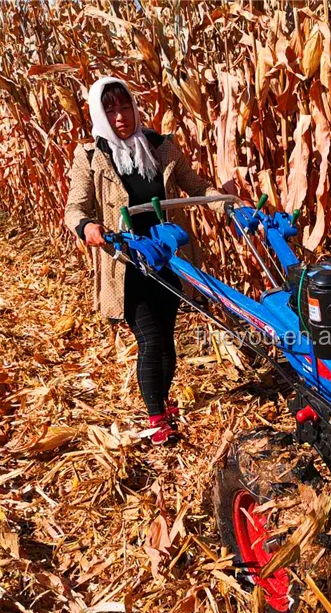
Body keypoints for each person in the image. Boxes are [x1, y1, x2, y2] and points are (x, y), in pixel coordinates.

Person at [64, 76, 226, 445]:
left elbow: (197, 187)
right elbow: (73, 208)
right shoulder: (90, 157)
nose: (120, 116)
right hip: (127, 262)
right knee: (151, 338)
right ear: (99, 115)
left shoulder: (162, 147)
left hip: (168, 257)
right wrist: (86, 226)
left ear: (135, 109)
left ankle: (164, 403)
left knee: (167, 337)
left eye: (125, 107)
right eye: (110, 110)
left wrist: (226, 203)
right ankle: (156, 417)